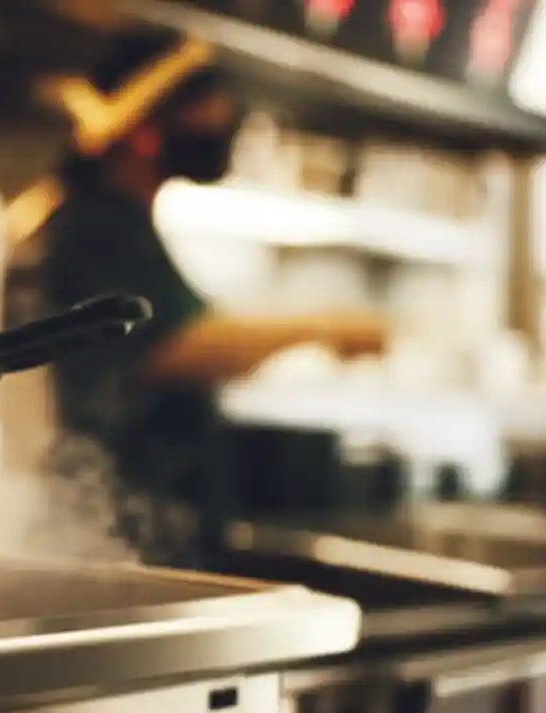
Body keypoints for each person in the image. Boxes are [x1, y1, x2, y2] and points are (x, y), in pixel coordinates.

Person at [34, 31, 382, 566]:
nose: (223, 122)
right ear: (144, 129)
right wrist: (326, 326)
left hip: (151, 524)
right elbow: (177, 344)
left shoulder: (126, 223)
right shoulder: (98, 226)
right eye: (204, 107)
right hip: (118, 526)